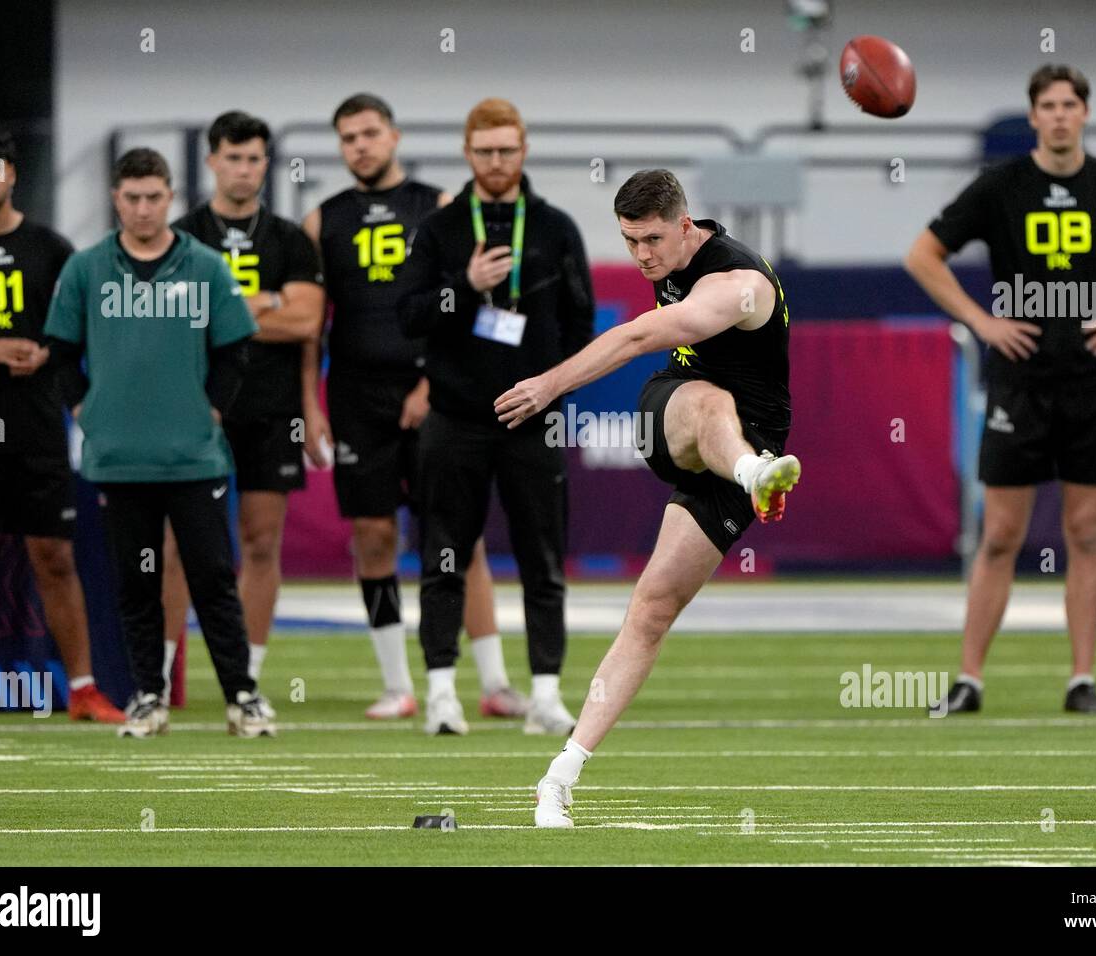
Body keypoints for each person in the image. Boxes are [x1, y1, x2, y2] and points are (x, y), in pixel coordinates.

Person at [491, 168, 800, 825]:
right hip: (678, 418)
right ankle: (753, 474)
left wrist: (549, 384)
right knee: (707, 399)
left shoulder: (737, 285)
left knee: (652, 608)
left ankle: (560, 774)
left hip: (751, 439)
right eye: (630, 241)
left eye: (653, 240)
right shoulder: (667, 253)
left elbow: (633, 337)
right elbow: (649, 349)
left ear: (686, 226)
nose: (642, 256)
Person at [903, 64, 1096, 715]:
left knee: (1086, 529)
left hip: (1092, 379)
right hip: (1021, 381)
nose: (1060, 115)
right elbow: (922, 254)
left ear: (1085, 114)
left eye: (1070, 104)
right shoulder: (1002, 185)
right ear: (1033, 116)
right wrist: (980, 322)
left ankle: (1082, 679)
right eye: (1049, 105)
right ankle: (970, 679)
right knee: (1002, 532)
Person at [43, 147, 276, 738]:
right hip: (119, 459)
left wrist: (213, 410)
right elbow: (62, 353)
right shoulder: (86, 268)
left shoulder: (204, 265)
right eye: (132, 197)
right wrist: (85, 411)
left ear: (170, 197)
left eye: (154, 197)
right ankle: (147, 696)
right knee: (136, 582)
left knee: (212, 577)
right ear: (116, 199)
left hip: (194, 456)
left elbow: (235, 350)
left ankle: (242, 696)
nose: (143, 208)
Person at [303, 94, 520, 721]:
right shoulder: (323, 220)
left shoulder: (442, 206)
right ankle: (398, 684)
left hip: (436, 390)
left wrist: (435, 384)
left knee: (461, 536)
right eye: (347, 138)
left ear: (394, 136)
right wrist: (309, 406)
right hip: (354, 395)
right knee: (372, 535)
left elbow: (472, 305)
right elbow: (313, 326)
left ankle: (495, 682)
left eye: (369, 133)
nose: (360, 146)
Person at [395, 98, 594, 736]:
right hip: (454, 417)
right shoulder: (442, 228)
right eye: (485, 151)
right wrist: (463, 281)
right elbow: (409, 313)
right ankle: (442, 695)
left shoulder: (556, 227)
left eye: (507, 149)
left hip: (531, 421)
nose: (497, 161)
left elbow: (582, 323)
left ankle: (544, 695)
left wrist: (552, 390)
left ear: (525, 149)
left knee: (543, 559)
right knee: (444, 555)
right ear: (467, 153)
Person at [0, 126, 122, 725]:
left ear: (12, 174)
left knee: (54, 556)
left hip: (38, 425)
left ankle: (82, 689)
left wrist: (49, 353)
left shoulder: (52, 249)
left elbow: (80, 333)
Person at [161, 111, 324, 691]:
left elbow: (306, 320)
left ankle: (246, 679)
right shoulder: (180, 236)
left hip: (271, 405)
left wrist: (221, 311)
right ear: (211, 162)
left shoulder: (288, 238)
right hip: (192, 404)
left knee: (260, 541)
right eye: (233, 157)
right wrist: (264, 305)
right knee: (176, 543)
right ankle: (160, 674)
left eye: (255, 157)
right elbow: (174, 322)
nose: (244, 168)